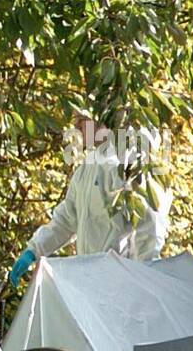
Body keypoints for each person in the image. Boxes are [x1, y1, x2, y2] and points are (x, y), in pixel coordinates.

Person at [10, 115, 172, 285]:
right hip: (91, 284)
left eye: (82, 120)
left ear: (102, 118)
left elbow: (149, 226)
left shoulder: (128, 165)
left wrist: (145, 278)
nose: (76, 126)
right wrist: (33, 251)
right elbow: (67, 219)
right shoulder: (87, 168)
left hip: (123, 283)